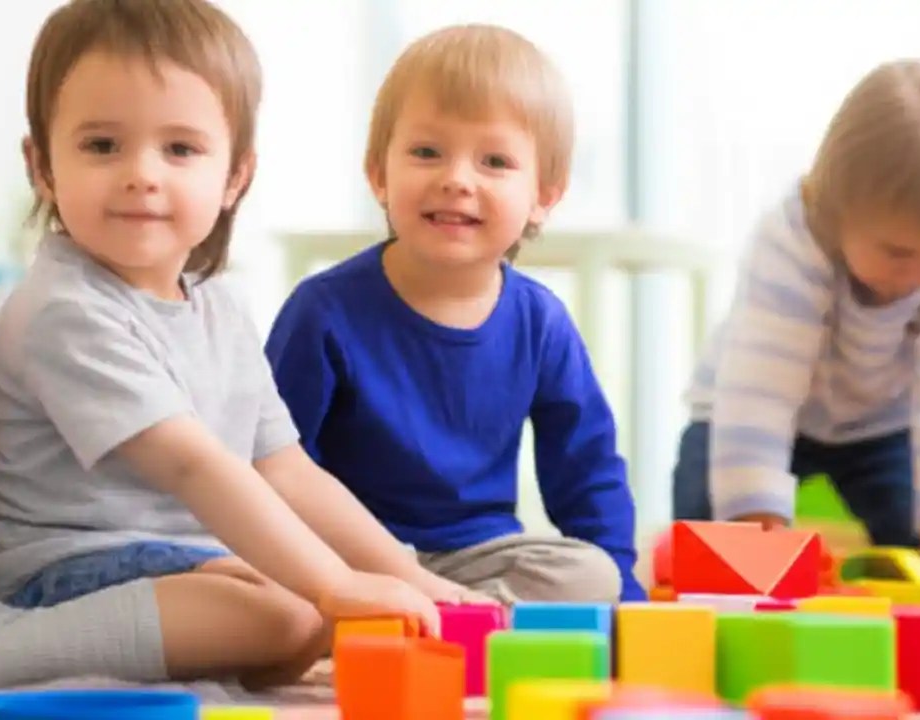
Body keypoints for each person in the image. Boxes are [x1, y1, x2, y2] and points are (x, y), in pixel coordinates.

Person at [0, 0, 480, 689]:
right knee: (290, 612)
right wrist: (335, 582)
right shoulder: (63, 310)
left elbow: (285, 468)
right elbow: (191, 465)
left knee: (322, 614)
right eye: (102, 146)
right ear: (42, 167)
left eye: (180, 148)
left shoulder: (217, 304)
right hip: (62, 569)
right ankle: (7, 648)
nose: (142, 174)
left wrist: (411, 578)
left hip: (188, 562)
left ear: (234, 177)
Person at [265, 24, 643, 603]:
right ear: (378, 174)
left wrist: (621, 589)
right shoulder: (322, 312)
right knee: (268, 588)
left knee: (586, 574)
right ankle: (430, 617)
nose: (456, 180)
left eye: (494, 161)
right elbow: (274, 465)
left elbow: (585, 466)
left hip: (479, 559)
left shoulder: (541, 323)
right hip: (354, 555)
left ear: (544, 196)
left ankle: (456, 619)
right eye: (426, 152)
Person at [671, 59, 920, 588]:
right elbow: (761, 394)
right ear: (833, 209)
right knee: (715, 533)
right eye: (899, 251)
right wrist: (756, 527)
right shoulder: (790, 244)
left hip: (877, 426)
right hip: (746, 410)